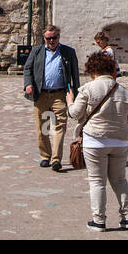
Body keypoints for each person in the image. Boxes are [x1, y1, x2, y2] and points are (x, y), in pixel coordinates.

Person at [69, 50, 128, 231]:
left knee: (97, 181)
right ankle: (127, 218)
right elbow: (127, 120)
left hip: (95, 141)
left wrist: (69, 102)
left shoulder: (88, 89)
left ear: (92, 71)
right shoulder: (126, 93)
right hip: (120, 142)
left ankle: (99, 220)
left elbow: (76, 113)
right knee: (120, 180)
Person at [22, 25, 80, 171]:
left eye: (54, 38)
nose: (51, 41)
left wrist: (76, 94)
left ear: (58, 37)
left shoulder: (68, 52)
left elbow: (75, 74)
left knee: (60, 126)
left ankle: (56, 159)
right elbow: (27, 69)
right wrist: (28, 84)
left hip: (60, 94)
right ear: (44, 38)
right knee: (42, 128)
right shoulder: (37, 51)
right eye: (48, 38)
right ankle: (45, 156)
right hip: (41, 94)